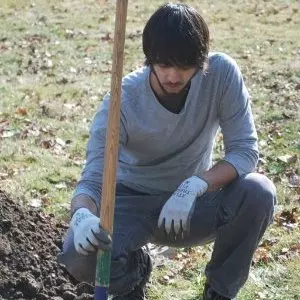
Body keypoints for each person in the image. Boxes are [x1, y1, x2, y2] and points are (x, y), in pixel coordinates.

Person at [58, 3, 276, 300]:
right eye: (163, 65)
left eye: (185, 66)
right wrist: (82, 214)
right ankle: (134, 276)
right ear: (149, 60)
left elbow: (245, 150)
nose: (173, 76)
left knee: (258, 191)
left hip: (193, 205)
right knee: (76, 251)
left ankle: (219, 292)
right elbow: (93, 180)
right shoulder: (122, 100)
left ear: (201, 61)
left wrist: (195, 185)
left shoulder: (221, 74)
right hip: (131, 201)